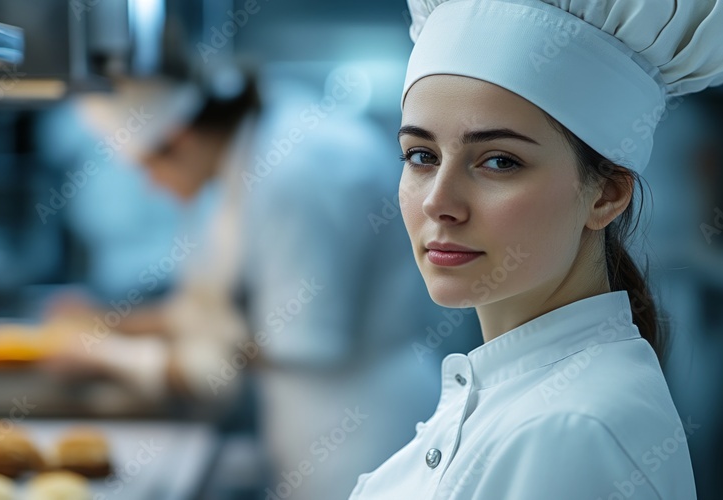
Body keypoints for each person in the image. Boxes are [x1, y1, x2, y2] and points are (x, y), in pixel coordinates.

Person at [347, 0, 723, 498]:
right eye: (421, 156)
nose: (439, 202)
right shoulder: (520, 399)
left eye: (499, 162)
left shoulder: (569, 431)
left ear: (606, 194)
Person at [54, 65, 480, 500]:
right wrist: (108, 323)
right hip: (314, 423)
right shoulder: (258, 150)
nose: (152, 187)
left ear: (179, 139)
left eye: (147, 169)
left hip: (361, 432)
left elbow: (298, 341)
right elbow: (216, 311)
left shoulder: (296, 172)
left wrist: (124, 359)